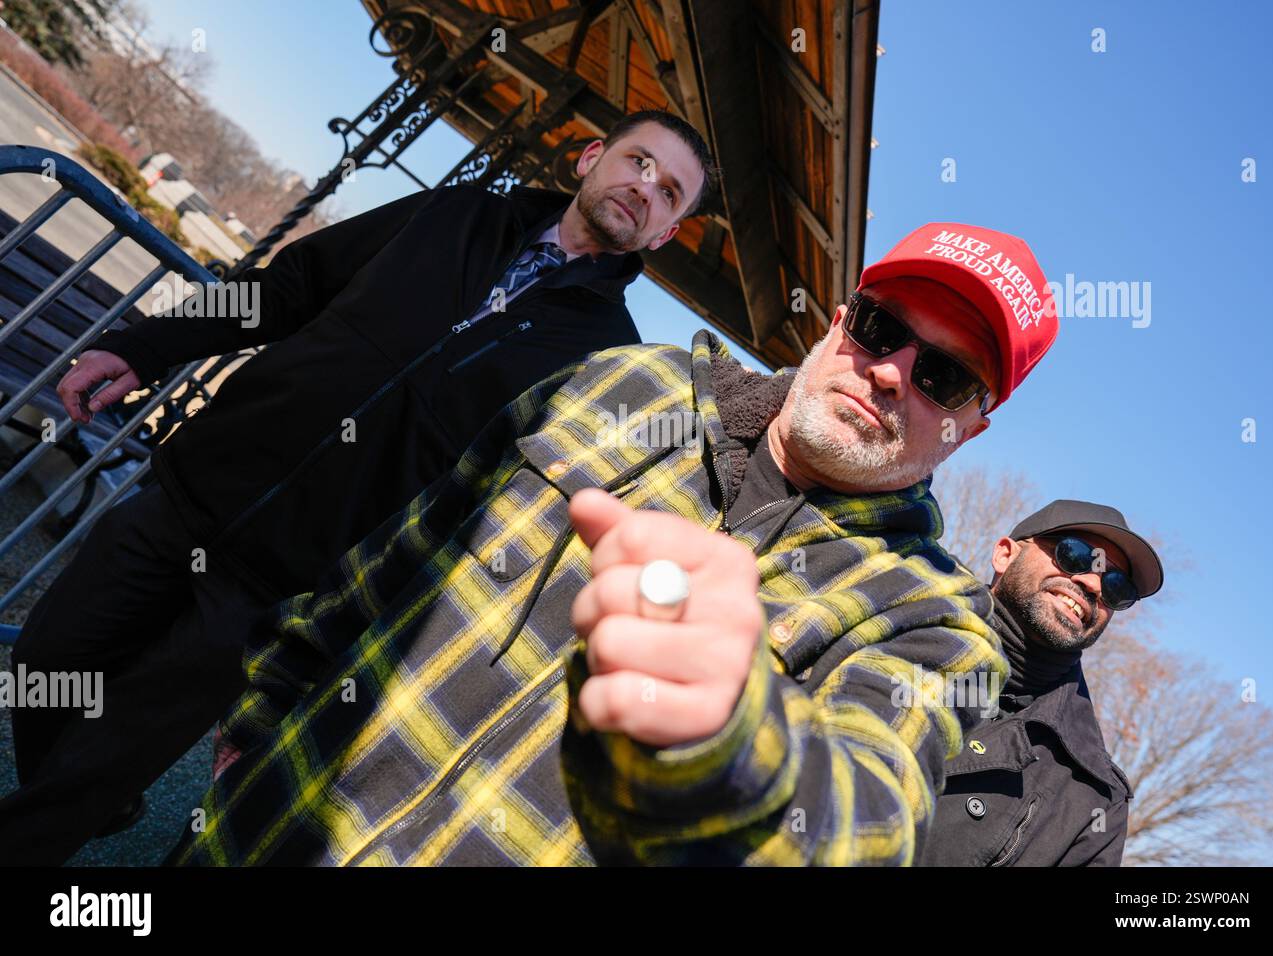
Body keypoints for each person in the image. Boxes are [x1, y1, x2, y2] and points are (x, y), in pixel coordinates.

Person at [168, 222, 1060, 866]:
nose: (891, 371)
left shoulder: (933, 624)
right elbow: (393, 557)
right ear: (836, 325)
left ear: (969, 431)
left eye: (943, 376)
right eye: (879, 328)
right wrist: (256, 720)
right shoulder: (626, 383)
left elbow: (867, 828)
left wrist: (731, 734)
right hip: (262, 832)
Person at [0, 110, 717, 866]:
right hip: (199, 490)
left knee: (102, 758)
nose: (646, 189)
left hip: (288, 590)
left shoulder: (605, 358)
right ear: (590, 157)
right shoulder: (455, 212)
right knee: (50, 658)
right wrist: (143, 346)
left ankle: (72, 808)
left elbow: (491, 510)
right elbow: (289, 286)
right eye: (639, 162)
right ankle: (102, 801)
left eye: (670, 193)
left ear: (667, 233)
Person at [918, 500, 1162, 866]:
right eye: (1075, 554)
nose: (1092, 583)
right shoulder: (893, 614)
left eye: (1116, 586)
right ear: (1005, 555)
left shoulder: (1095, 797)